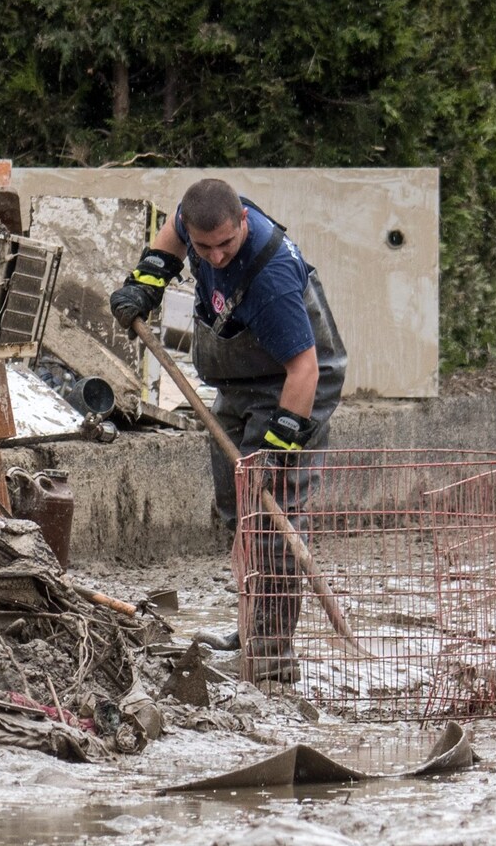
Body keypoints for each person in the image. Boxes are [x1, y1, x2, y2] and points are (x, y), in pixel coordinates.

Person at [108, 178, 348, 683]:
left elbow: (305, 369)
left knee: (271, 512)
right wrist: (145, 284)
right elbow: (169, 238)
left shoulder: (273, 274)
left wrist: (281, 445)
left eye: (226, 245)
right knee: (237, 507)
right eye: (204, 247)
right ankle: (254, 625)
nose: (215, 257)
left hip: (294, 383)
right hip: (241, 379)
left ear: (243, 222)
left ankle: (273, 660)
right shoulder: (192, 223)